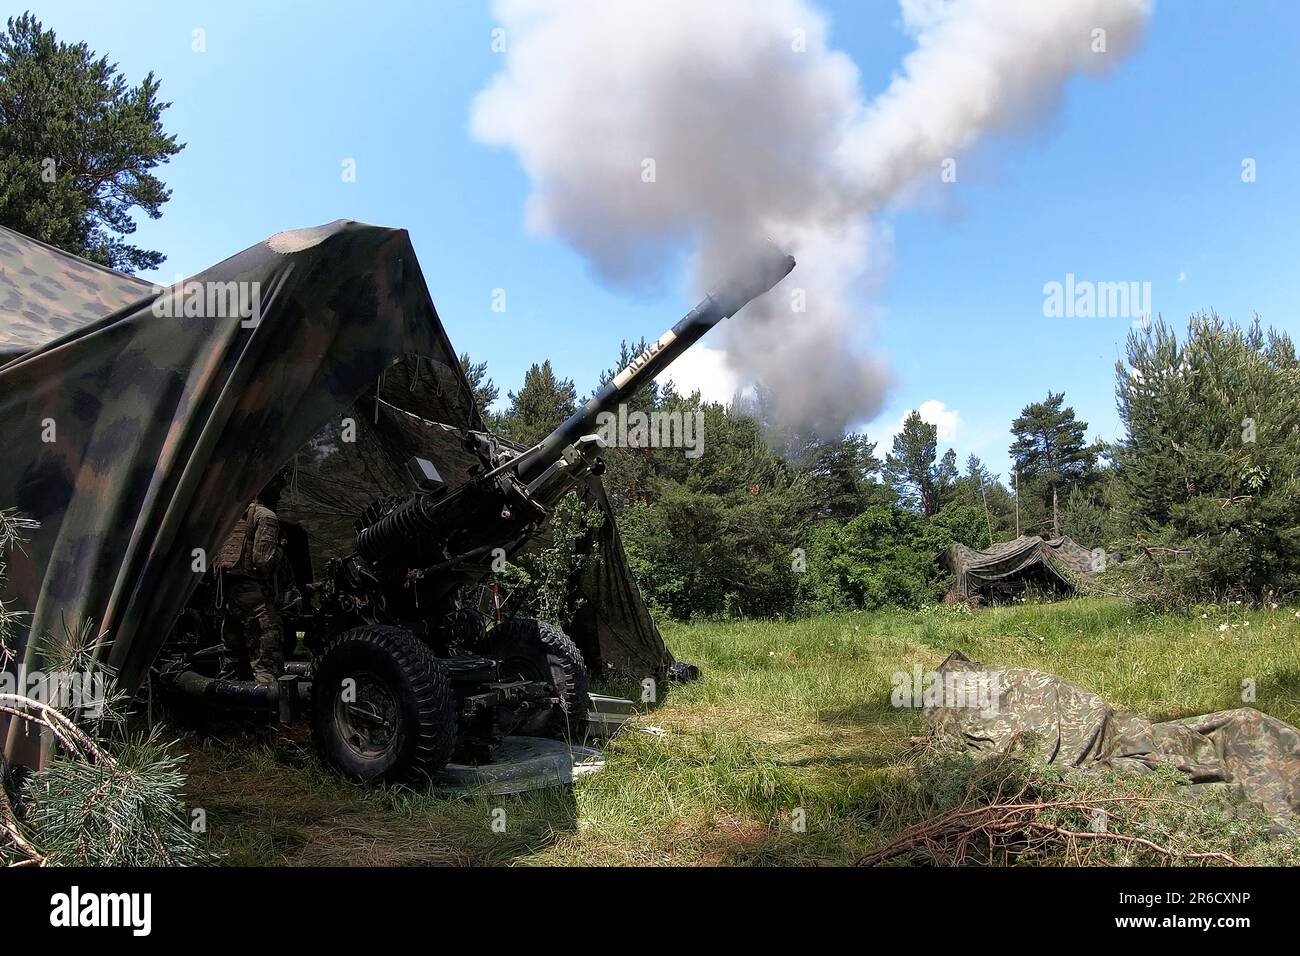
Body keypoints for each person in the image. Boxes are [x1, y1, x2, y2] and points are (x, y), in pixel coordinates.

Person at [215, 473, 288, 684]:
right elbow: (263, 560)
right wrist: (281, 548)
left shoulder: (231, 516)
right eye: (278, 490)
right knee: (267, 663)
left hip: (231, 598)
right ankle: (270, 712)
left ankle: (228, 711)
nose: (280, 497)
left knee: (233, 662)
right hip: (255, 599)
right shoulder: (266, 516)